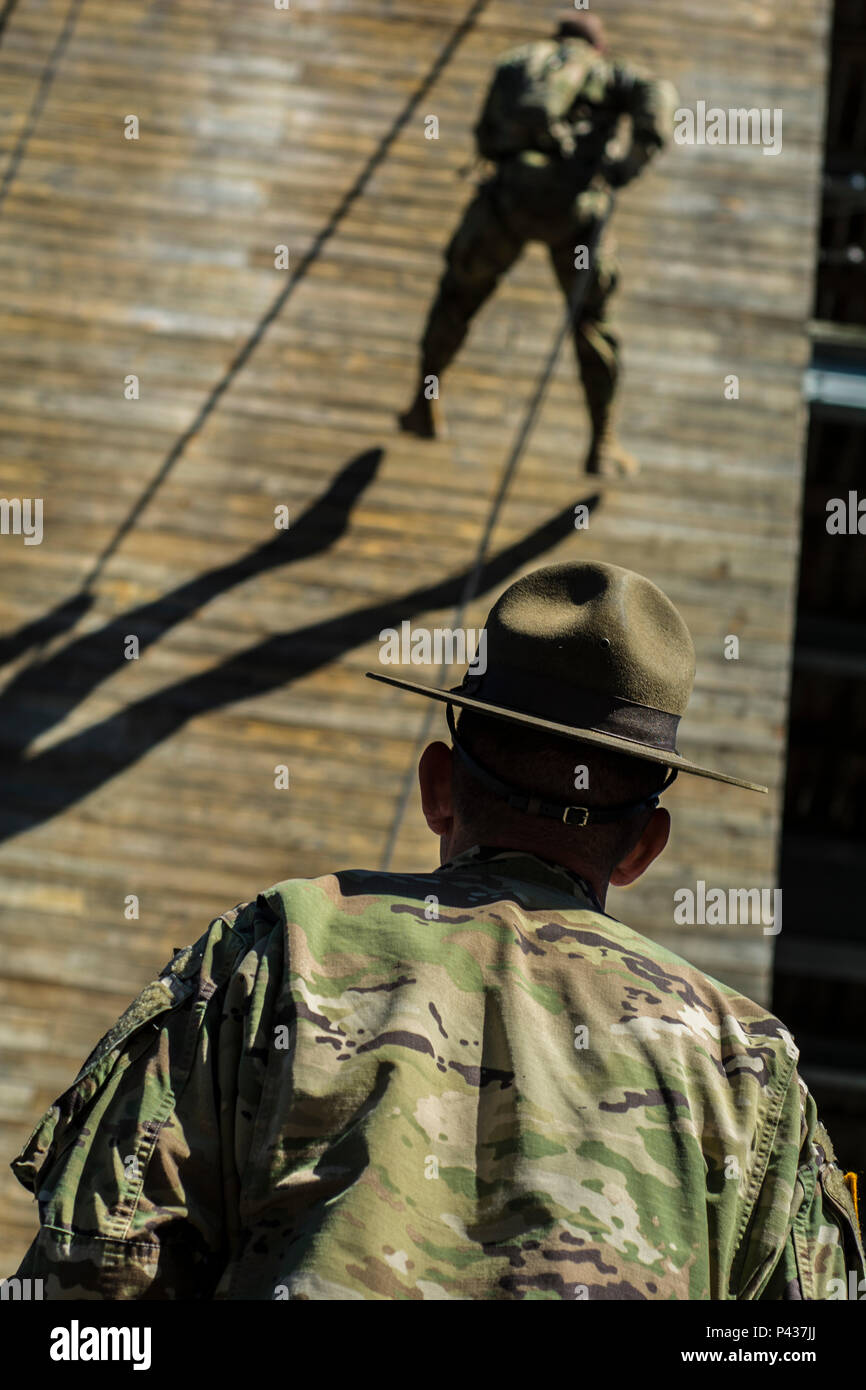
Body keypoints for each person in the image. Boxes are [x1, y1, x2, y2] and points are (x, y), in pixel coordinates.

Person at [11, 560, 864, 1299]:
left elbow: (96, 1281)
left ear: (438, 788)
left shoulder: (272, 951)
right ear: (643, 847)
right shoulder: (748, 1071)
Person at [399, 13, 677, 476]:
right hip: (574, 215)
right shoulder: (610, 72)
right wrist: (629, 161)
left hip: (507, 204)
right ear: (598, 46)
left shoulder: (514, 64)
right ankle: (602, 441)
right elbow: (658, 93)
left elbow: (486, 138)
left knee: (457, 299)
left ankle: (423, 401)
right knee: (591, 324)